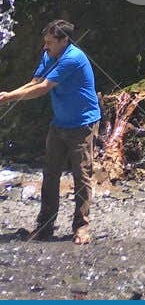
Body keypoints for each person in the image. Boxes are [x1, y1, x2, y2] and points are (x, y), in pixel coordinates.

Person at [0, 19, 101, 245]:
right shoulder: (49, 56)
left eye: (50, 43)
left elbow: (43, 88)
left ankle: (82, 227)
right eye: (45, 42)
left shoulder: (73, 58)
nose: (45, 47)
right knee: (50, 174)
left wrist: (9, 98)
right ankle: (45, 227)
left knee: (81, 175)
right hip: (60, 123)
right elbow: (35, 81)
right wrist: (7, 95)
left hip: (82, 124)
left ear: (64, 40)